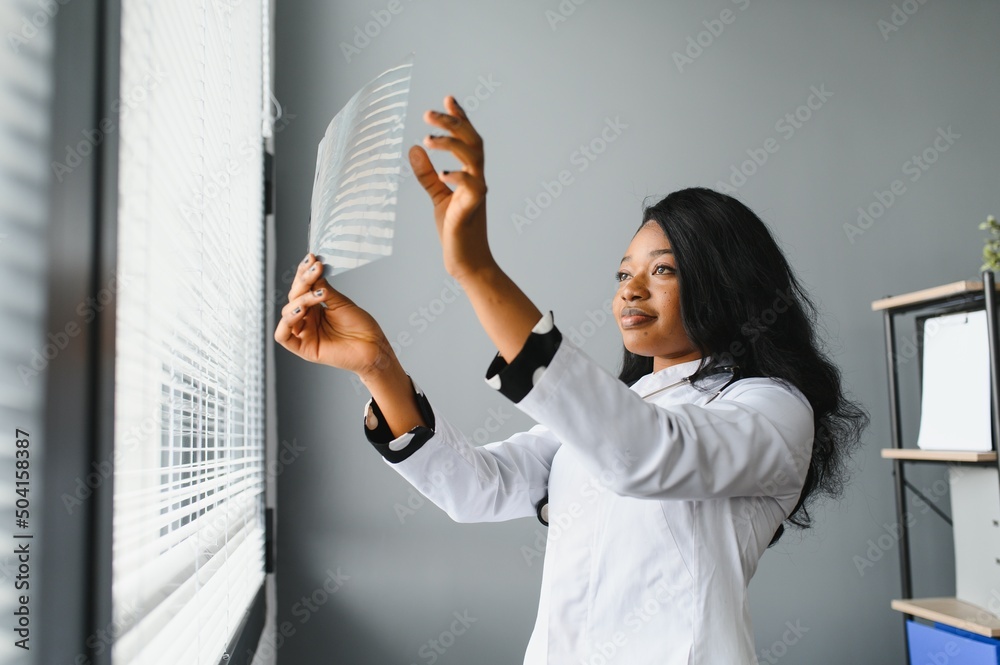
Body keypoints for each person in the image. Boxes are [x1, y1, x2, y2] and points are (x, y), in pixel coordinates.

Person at [274, 95, 868, 664]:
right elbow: (476, 487)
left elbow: (648, 455)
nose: (630, 289)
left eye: (662, 269)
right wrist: (378, 366)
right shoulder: (617, 411)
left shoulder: (772, 410)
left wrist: (477, 270)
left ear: (726, 281)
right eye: (622, 272)